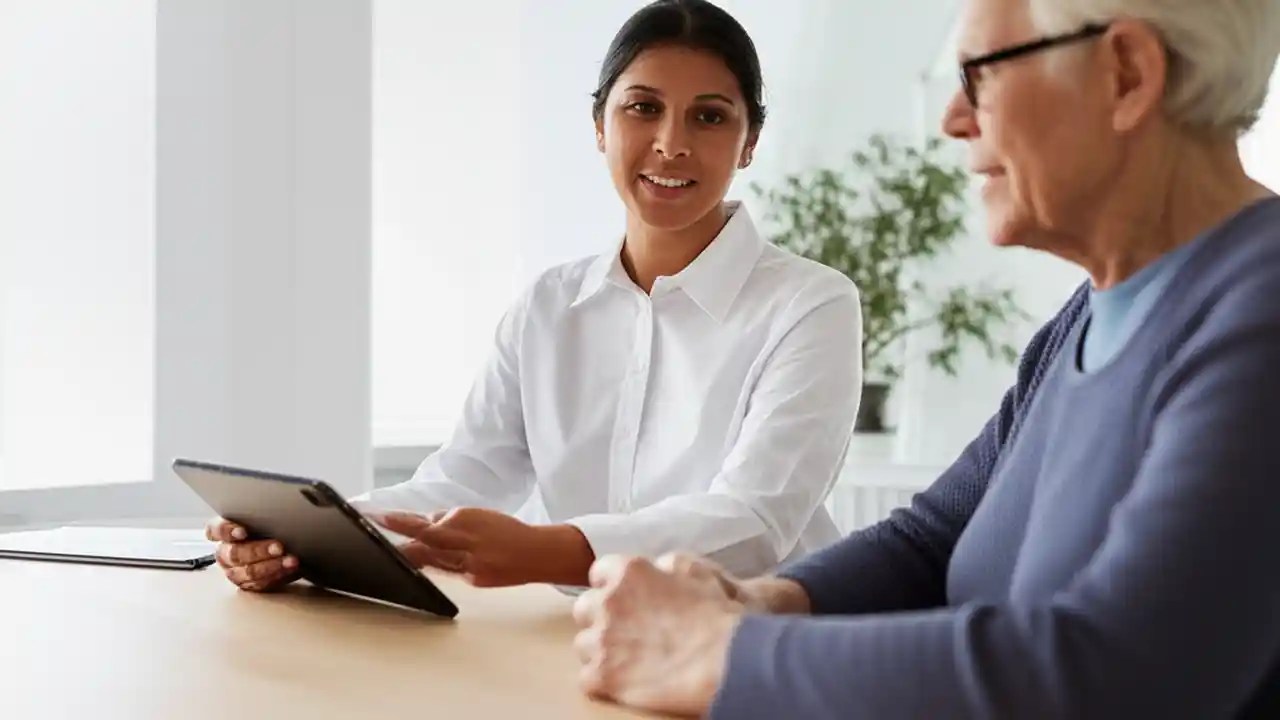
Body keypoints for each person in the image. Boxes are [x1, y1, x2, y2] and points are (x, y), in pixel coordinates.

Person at [572, 0, 1280, 717]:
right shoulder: (1087, 315)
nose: (953, 118)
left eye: (979, 74)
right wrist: (758, 602)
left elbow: (1114, 674)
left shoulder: (1263, 314)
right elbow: (931, 542)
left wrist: (716, 655)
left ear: (1127, 75)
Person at [207, 0, 862, 593]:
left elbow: (753, 520)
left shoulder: (812, 305)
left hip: (756, 647)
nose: (671, 142)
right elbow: (462, 480)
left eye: (710, 117)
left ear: (749, 143)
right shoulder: (548, 308)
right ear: (600, 124)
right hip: (574, 640)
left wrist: (550, 550)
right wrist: (304, 538)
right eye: (643, 107)